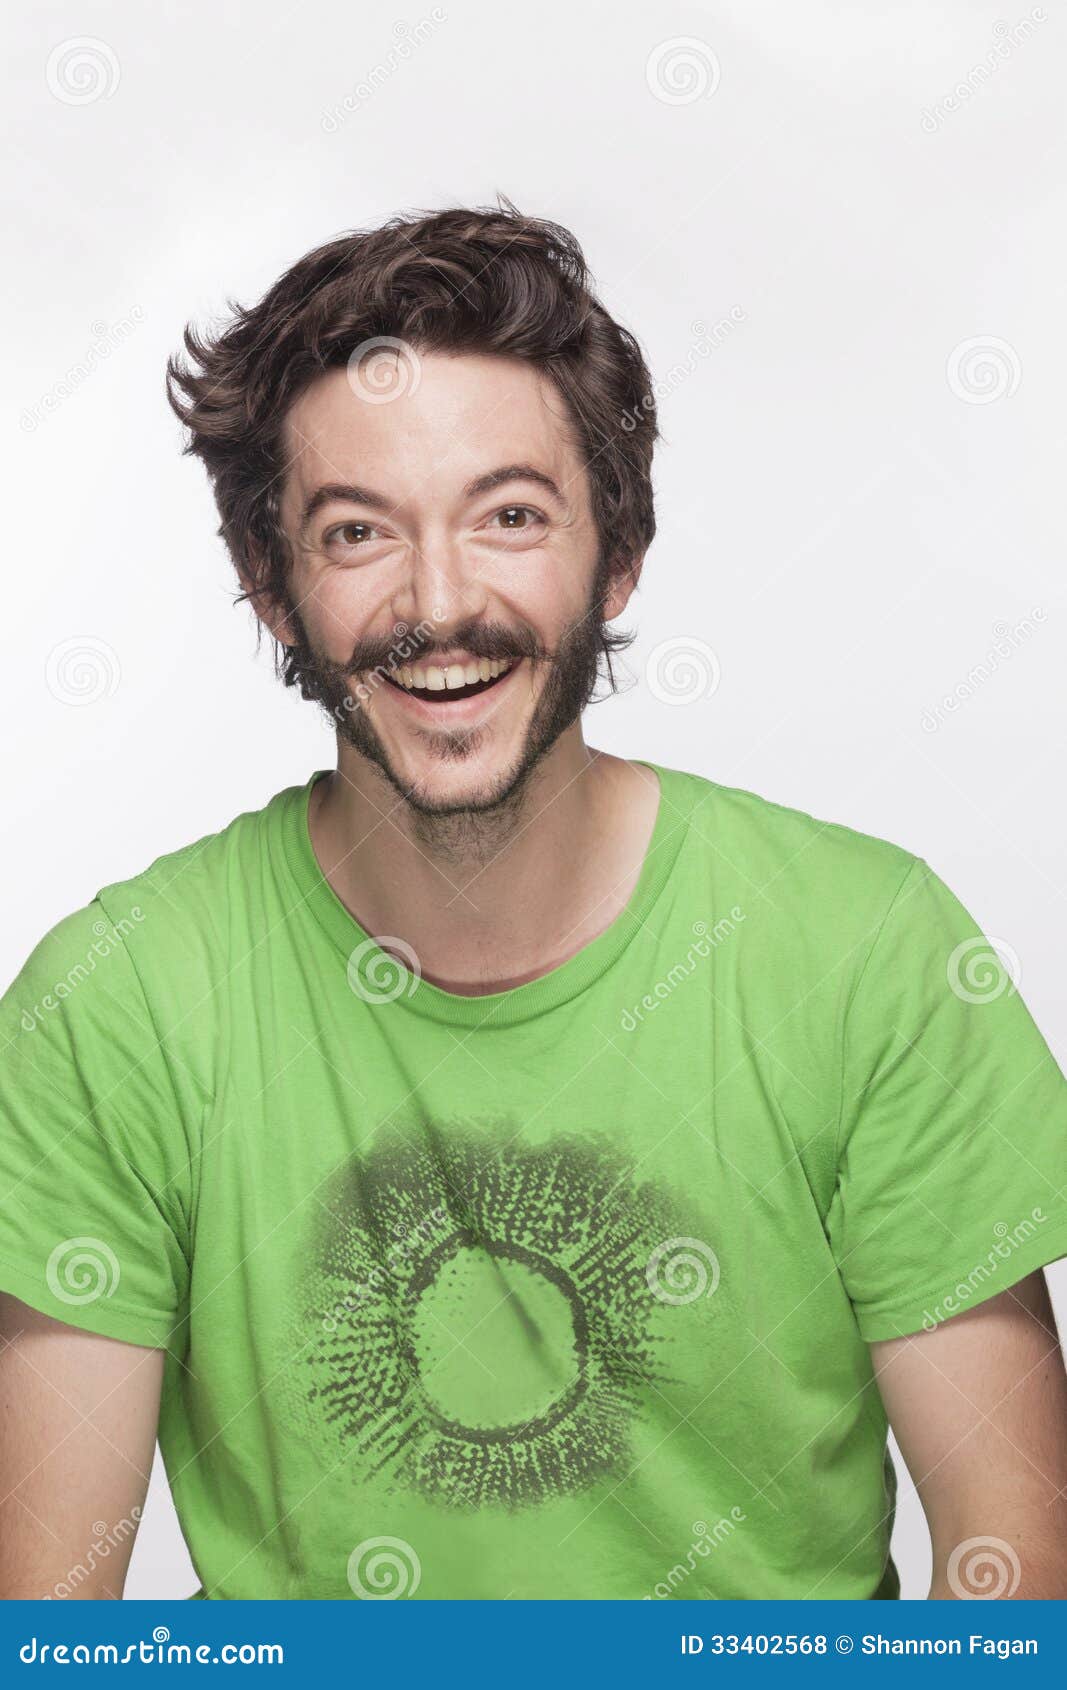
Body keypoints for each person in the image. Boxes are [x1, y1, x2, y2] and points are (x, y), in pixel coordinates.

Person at [1, 203, 1065, 1603]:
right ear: (271, 585)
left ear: (615, 552)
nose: (440, 602)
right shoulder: (116, 1002)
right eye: (356, 530)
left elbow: (1019, 1580)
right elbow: (43, 1627)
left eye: (510, 517)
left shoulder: (868, 949)